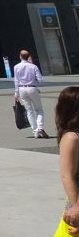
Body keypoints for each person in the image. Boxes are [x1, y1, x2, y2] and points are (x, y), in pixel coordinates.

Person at [56, 86, 79, 235]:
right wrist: (77, 208)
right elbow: (67, 176)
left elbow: (67, 176)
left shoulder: (74, 136)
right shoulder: (72, 137)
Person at [14, 49, 48, 138]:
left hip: (21, 89)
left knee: (29, 110)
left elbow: (16, 80)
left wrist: (16, 92)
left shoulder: (16, 67)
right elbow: (40, 80)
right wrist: (33, 83)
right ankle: (40, 128)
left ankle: (35, 131)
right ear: (28, 56)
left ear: (20, 56)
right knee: (39, 109)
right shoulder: (33, 67)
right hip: (32, 88)